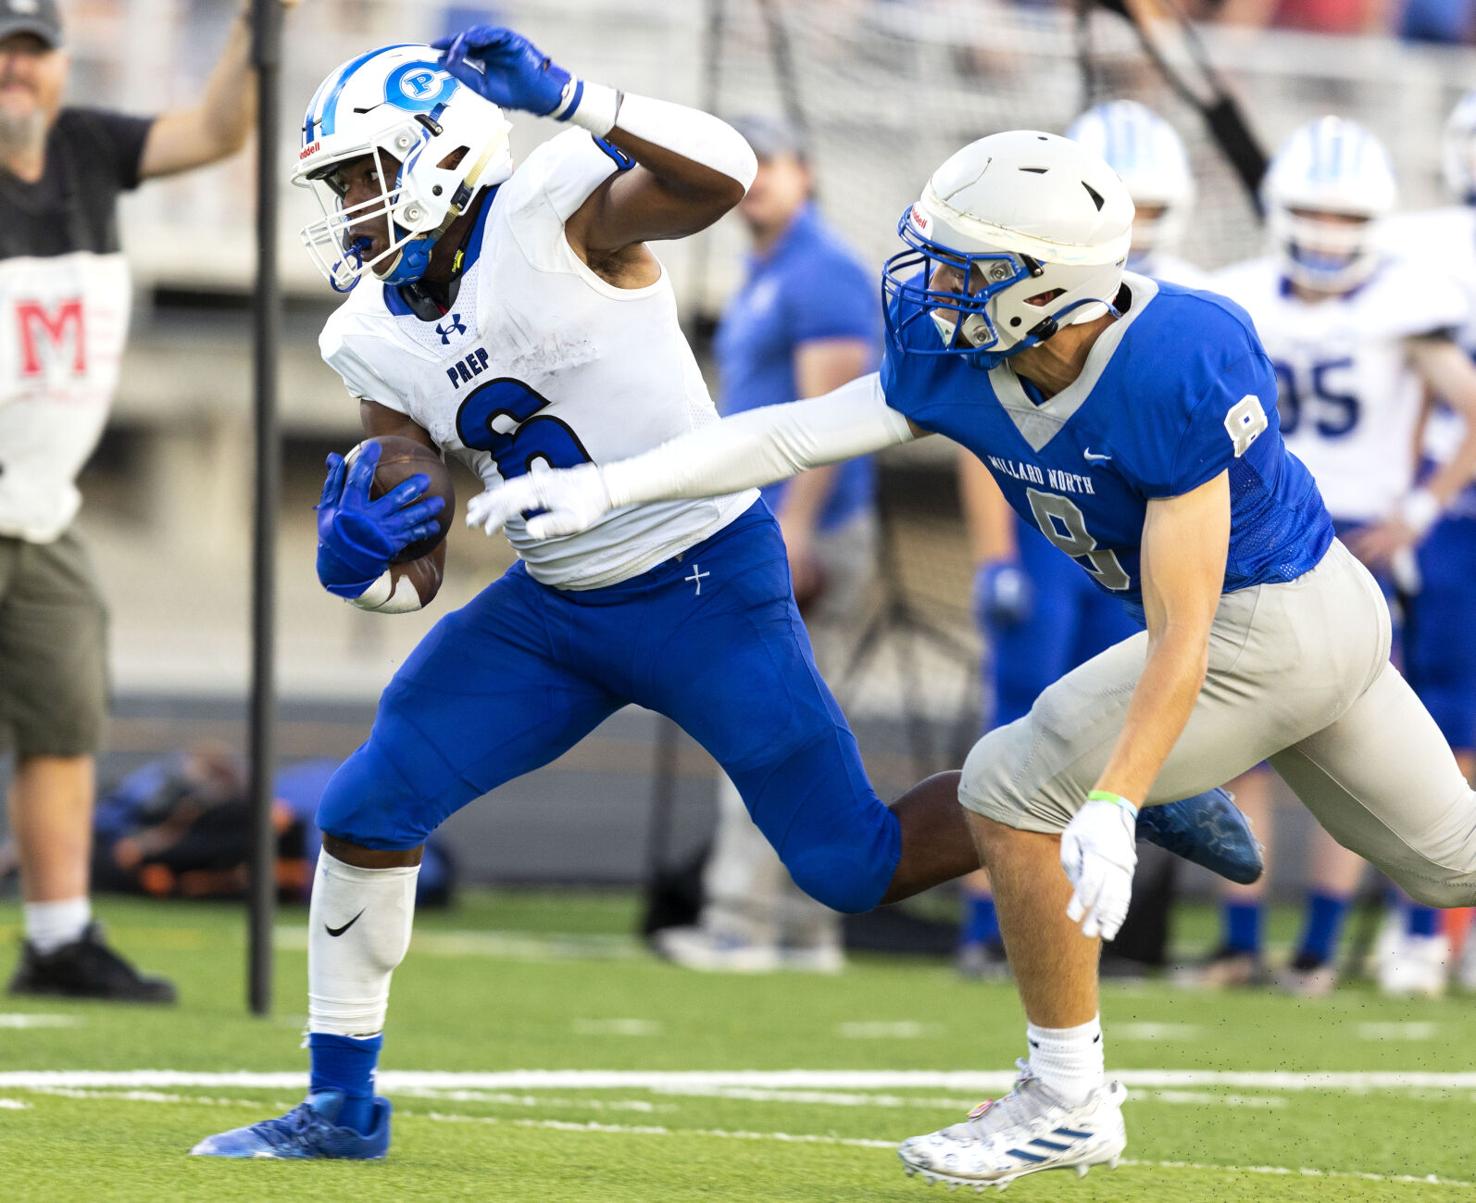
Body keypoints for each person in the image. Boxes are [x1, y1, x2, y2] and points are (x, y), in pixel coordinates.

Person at [192, 31, 1255, 1163]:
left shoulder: (554, 210)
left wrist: (577, 97)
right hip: (553, 610)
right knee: (365, 807)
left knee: (851, 866)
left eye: (361, 176)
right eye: (338, 185)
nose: (349, 209)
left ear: (437, 155)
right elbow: (417, 553)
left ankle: (1096, 778)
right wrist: (365, 565)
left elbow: (724, 175)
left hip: (704, 578)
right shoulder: (367, 332)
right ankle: (341, 1108)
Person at [474, 128, 1476, 1189]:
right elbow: (791, 434)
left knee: (1008, 786)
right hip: (1305, 618)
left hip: (1272, 624)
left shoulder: (1174, 359)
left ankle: (1066, 1097)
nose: (931, 285)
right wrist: (610, 486)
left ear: (1046, 286)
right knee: (1453, 861)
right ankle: (1154, 802)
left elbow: (1189, 633)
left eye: (962, 268)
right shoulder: (967, 359)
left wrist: (1113, 800)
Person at [0, 0, 296, 1003]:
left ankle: (58, 937)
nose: (15, 69)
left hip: (43, 506)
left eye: (32, 52)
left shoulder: (86, 148)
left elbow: (216, 131)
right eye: (0, 52)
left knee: (62, 723)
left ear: (60, 65)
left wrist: (258, 25)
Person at [1210, 117, 1476, 1000]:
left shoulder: (1407, 300)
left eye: (1347, 217)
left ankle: (1317, 950)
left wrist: (1420, 508)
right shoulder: (1236, 296)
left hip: (1351, 543)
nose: (1327, 234)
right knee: (1234, 744)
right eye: (1313, 213)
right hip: (1248, 533)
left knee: (1348, 750)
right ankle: (1238, 943)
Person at [957, 99, 1215, 979]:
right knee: (1017, 719)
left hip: (1138, 551)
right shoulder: (1013, 294)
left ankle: (1091, 931)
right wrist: (995, 555)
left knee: (1117, 730)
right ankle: (987, 923)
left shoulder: (1187, 312)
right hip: (1048, 537)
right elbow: (972, 431)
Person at [654, 115, 879, 975]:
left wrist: (797, 523)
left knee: (762, 722)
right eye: (745, 164)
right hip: (771, 521)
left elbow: (835, 411)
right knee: (795, 728)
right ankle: (804, 926)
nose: (756, 180)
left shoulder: (820, 270)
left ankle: (744, 922)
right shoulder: (773, 268)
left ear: (805, 172)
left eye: (771, 163)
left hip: (801, 527)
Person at [1382, 89, 1476, 990]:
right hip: (1450, 511)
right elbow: (1405, 388)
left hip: (1443, 508)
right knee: (1439, 714)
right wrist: (1409, 501)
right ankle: (1429, 922)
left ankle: (1434, 926)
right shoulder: (1419, 245)